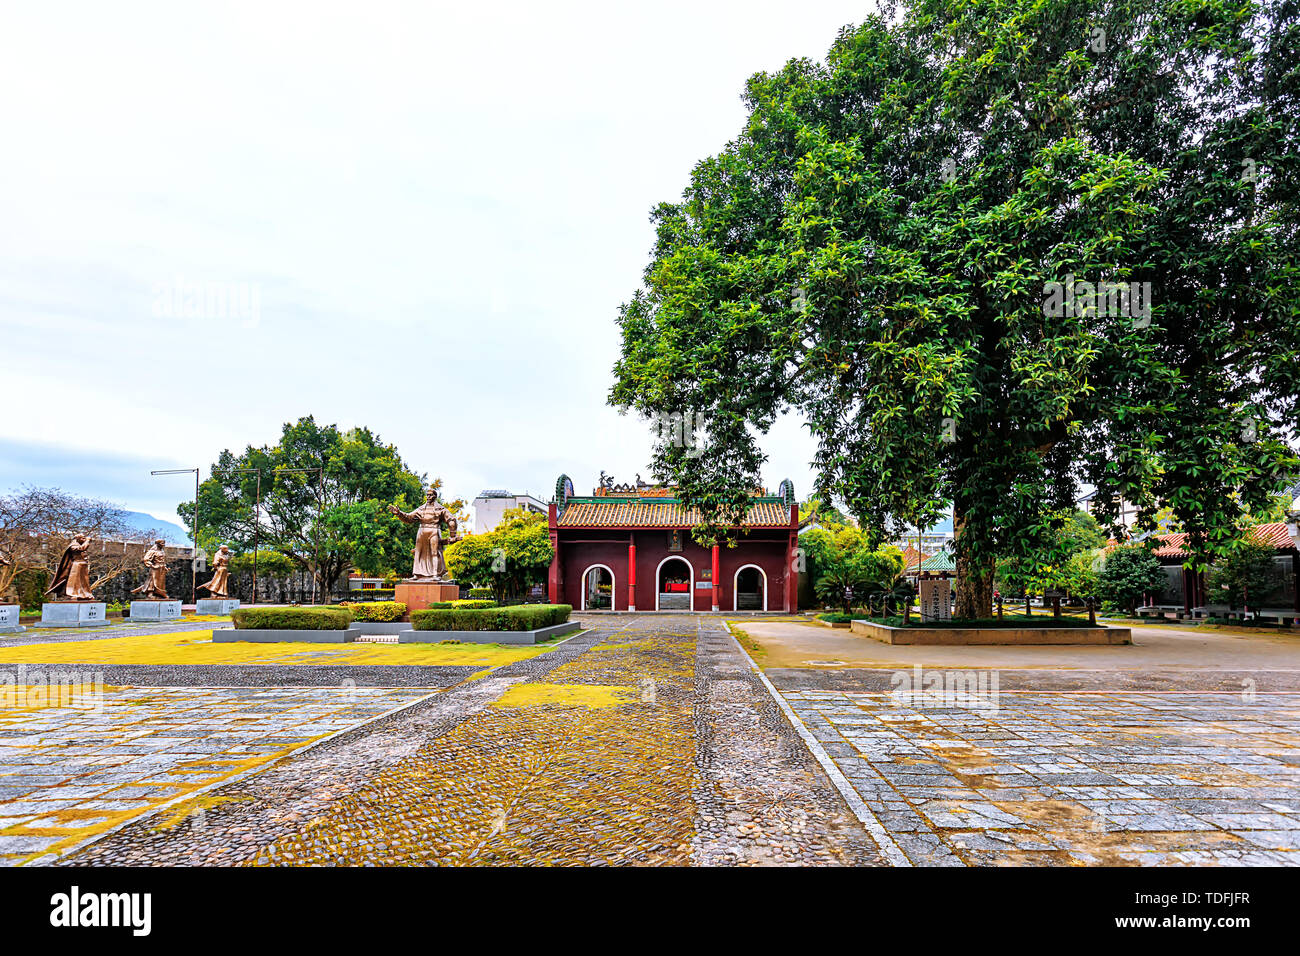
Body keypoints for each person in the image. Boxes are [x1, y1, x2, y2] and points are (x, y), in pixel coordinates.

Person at [45, 534, 95, 601]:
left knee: (84, 582)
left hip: (83, 565)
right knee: (75, 581)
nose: (84, 540)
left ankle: (84, 594)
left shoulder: (78, 545)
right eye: (83, 538)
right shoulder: (73, 546)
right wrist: (88, 540)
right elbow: (82, 548)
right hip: (77, 565)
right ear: (78, 539)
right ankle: (73, 594)